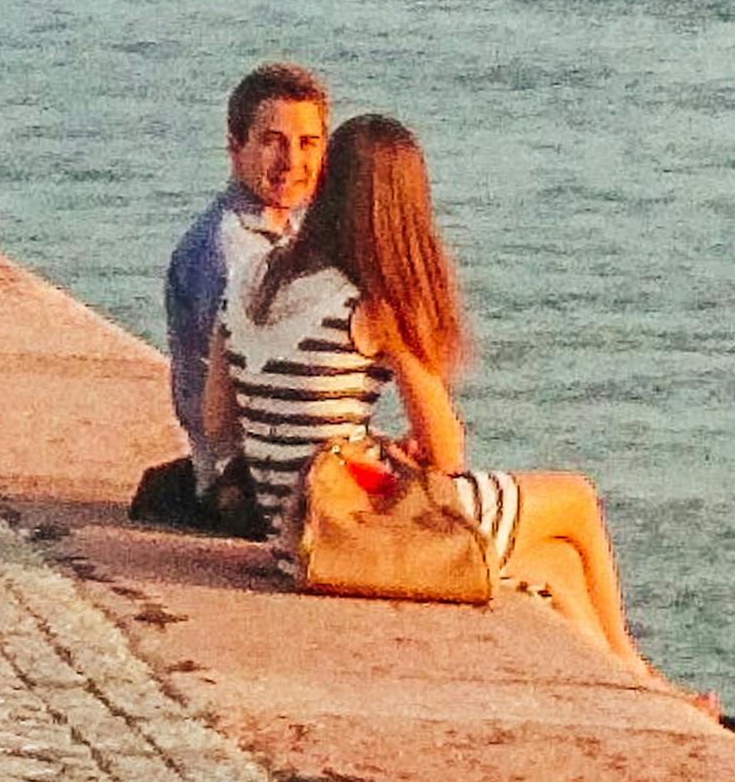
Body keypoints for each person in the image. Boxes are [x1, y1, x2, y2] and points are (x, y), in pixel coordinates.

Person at [224, 110, 653, 671]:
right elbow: (448, 454)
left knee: (552, 564)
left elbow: (219, 419)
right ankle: (636, 667)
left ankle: (638, 682)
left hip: (286, 535)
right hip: (343, 528)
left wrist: (359, 442)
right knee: (576, 499)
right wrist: (394, 451)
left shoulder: (253, 276)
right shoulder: (371, 303)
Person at [135, 63, 327, 531]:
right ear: (235, 148)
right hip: (243, 478)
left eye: (307, 144)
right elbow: (241, 402)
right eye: (272, 141)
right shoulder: (227, 253)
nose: (291, 163)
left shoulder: (294, 234)